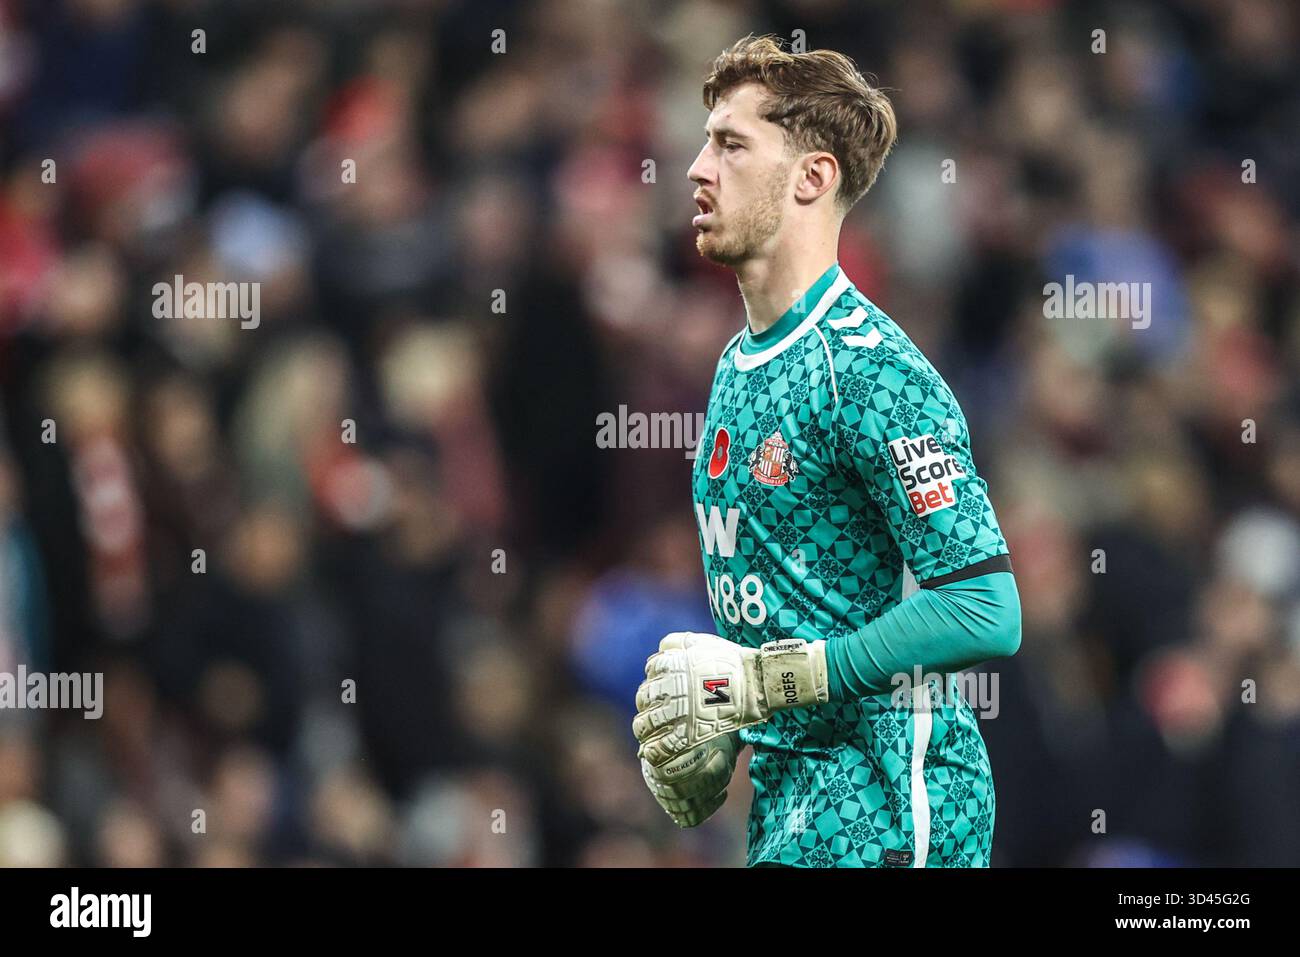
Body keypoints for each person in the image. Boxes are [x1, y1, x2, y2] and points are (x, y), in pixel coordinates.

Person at [633, 35, 1021, 868]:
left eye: (731, 144)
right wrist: (725, 719)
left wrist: (771, 683)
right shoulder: (736, 368)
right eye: (705, 141)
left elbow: (987, 607)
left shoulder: (872, 371)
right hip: (790, 810)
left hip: (894, 811)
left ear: (812, 177)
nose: (698, 169)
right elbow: (795, 612)